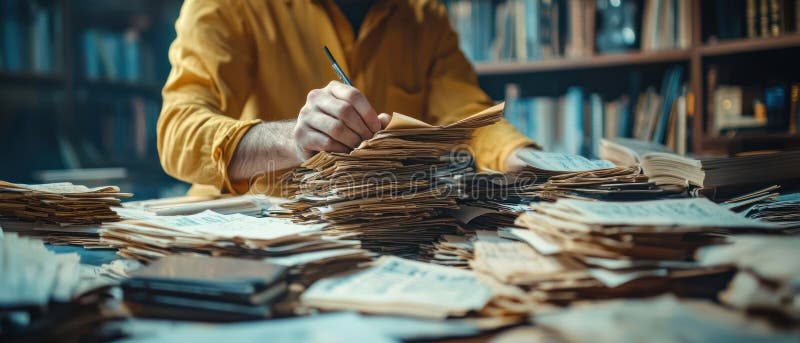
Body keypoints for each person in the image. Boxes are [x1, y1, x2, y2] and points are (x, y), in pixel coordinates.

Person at [158, 0, 537, 196]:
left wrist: (520, 158)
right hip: (246, 234)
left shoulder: (423, 16)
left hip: (374, 227)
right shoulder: (231, 6)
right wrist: (293, 140)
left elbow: (465, 115)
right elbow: (178, 131)